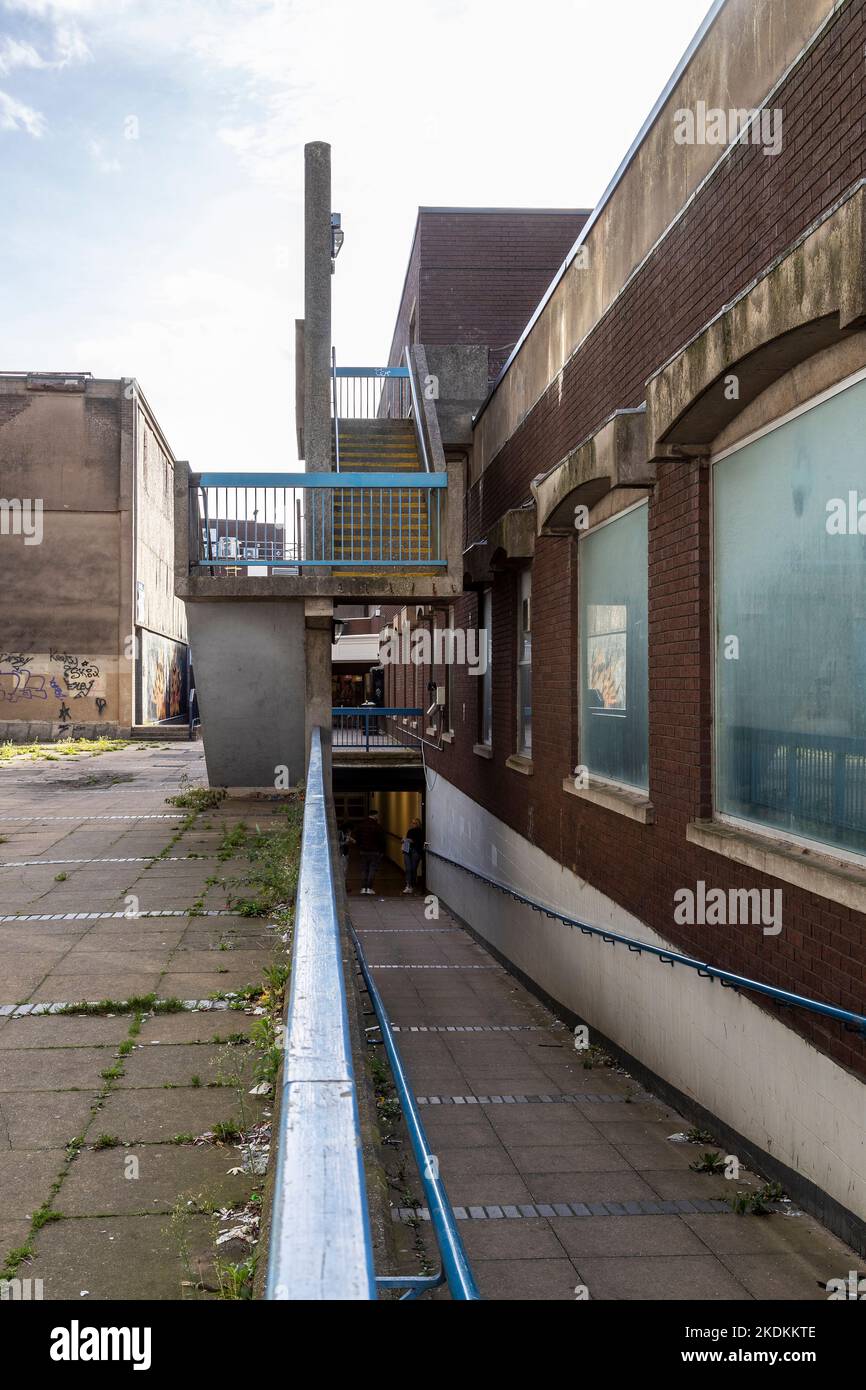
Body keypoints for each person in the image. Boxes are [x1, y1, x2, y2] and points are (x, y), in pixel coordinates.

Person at [354, 808, 385, 895]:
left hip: (363, 851)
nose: (378, 817)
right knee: (372, 869)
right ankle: (369, 888)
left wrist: (359, 847)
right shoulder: (377, 826)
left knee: (364, 869)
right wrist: (382, 851)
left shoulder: (361, 825)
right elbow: (382, 840)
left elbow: (357, 837)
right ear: (375, 815)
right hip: (374, 851)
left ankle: (363, 888)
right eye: (377, 815)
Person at [401, 817, 424, 894]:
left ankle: (412, 885)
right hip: (408, 851)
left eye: (415, 823)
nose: (413, 824)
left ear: (418, 824)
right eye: (412, 822)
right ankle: (408, 886)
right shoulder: (410, 831)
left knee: (413, 869)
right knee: (408, 869)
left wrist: (407, 840)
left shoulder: (421, 832)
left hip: (416, 852)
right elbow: (408, 840)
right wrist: (405, 840)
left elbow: (416, 841)